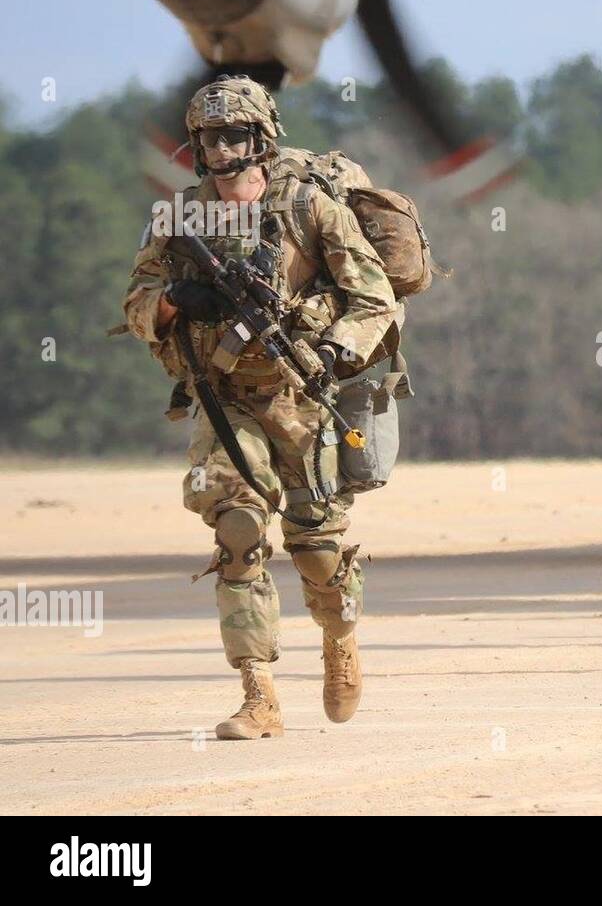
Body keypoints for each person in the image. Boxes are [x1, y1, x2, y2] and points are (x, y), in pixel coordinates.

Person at [123, 75, 398, 737]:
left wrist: (333, 352)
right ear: (195, 144)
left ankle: (339, 638)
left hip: (302, 397)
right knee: (238, 532)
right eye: (211, 136)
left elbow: (374, 298)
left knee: (316, 550)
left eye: (235, 134)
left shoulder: (307, 208)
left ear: (260, 137)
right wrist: (175, 303)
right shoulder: (179, 217)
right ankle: (258, 692)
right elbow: (135, 304)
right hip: (223, 400)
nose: (222, 148)